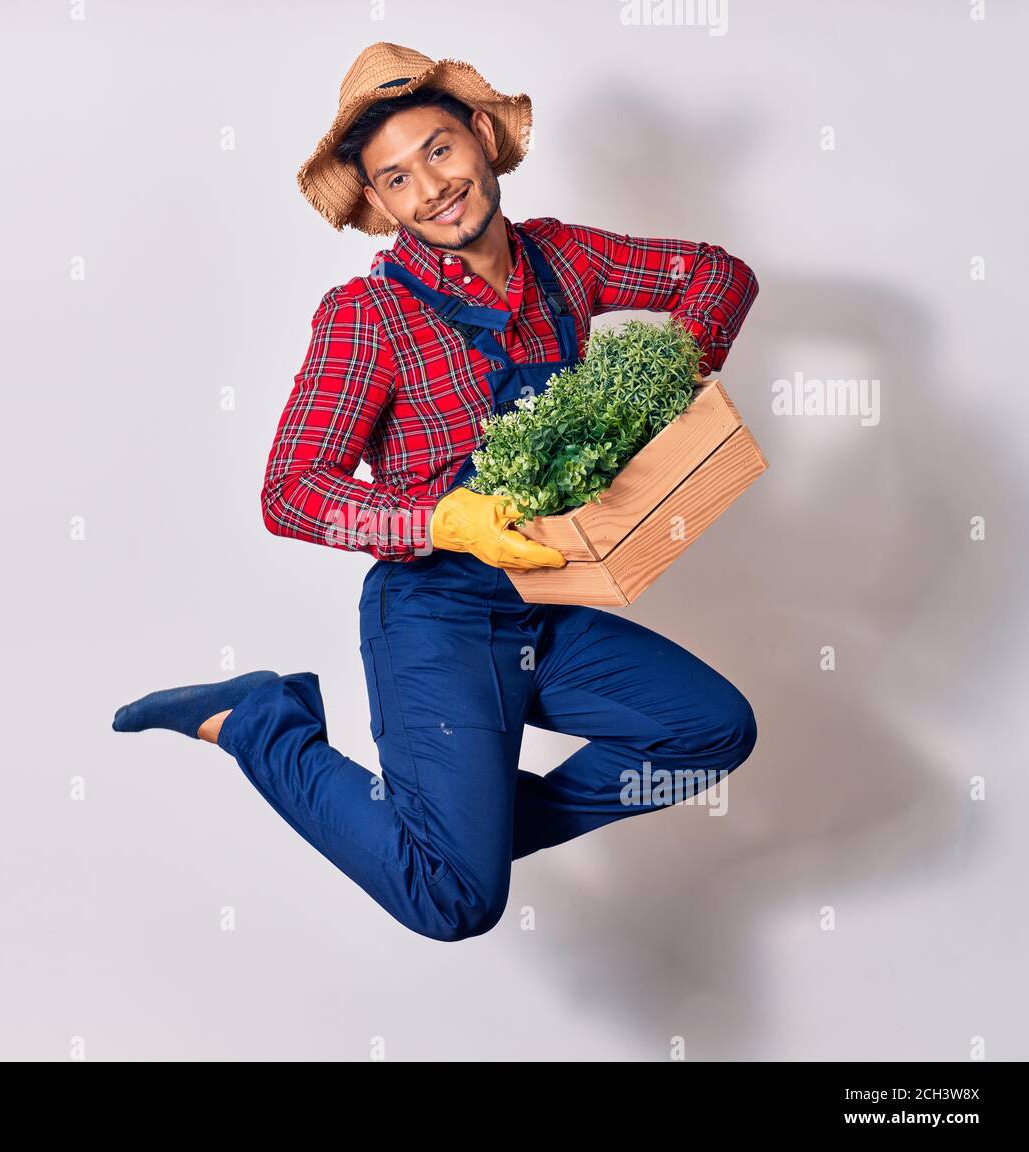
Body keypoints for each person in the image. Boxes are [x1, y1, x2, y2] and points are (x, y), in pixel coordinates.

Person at [112, 42, 760, 942]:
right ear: (379, 203)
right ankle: (263, 720)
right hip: (436, 614)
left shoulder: (563, 261)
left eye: (440, 150)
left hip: (548, 601)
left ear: (484, 137)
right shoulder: (367, 318)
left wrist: (656, 383)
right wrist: (439, 516)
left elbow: (718, 275)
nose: (431, 188)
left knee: (709, 730)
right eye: (397, 178)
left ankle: (464, 833)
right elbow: (291, 491)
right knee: (455, 902)